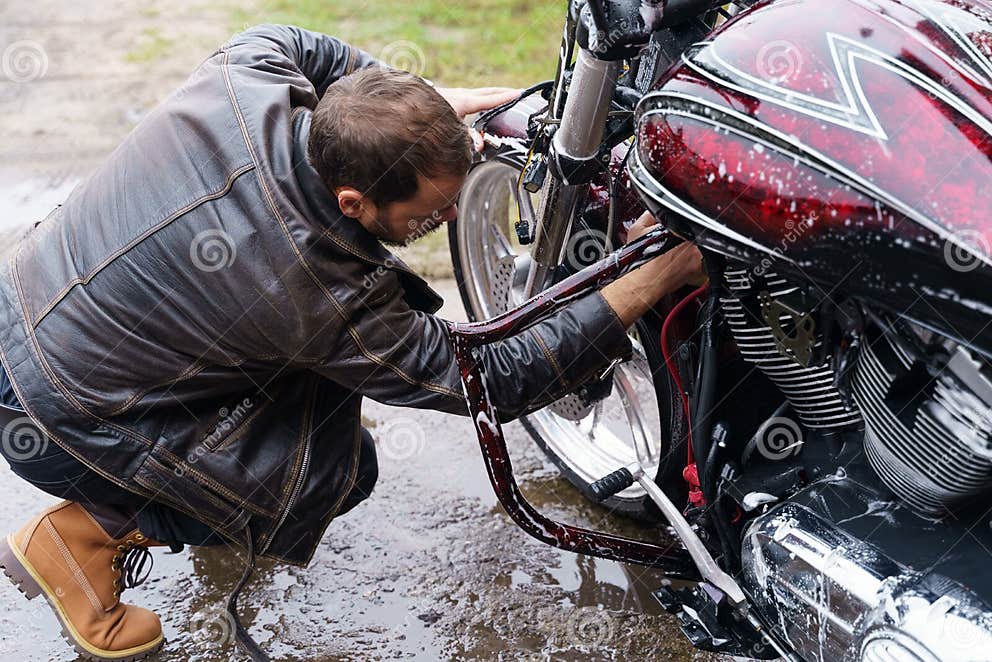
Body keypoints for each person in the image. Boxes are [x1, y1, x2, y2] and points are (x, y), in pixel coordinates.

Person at [0, 24, 703, 661]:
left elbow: (318, 52)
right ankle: (90, 532)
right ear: (352, 204)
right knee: (337, 469)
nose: (453, 214)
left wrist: (413, 112)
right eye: (431, 213)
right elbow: (491, 378)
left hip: (22, 310)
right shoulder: (315, 286)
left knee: (305, 387)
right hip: (55, 417)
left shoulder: (250, 71)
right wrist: (658, 273)